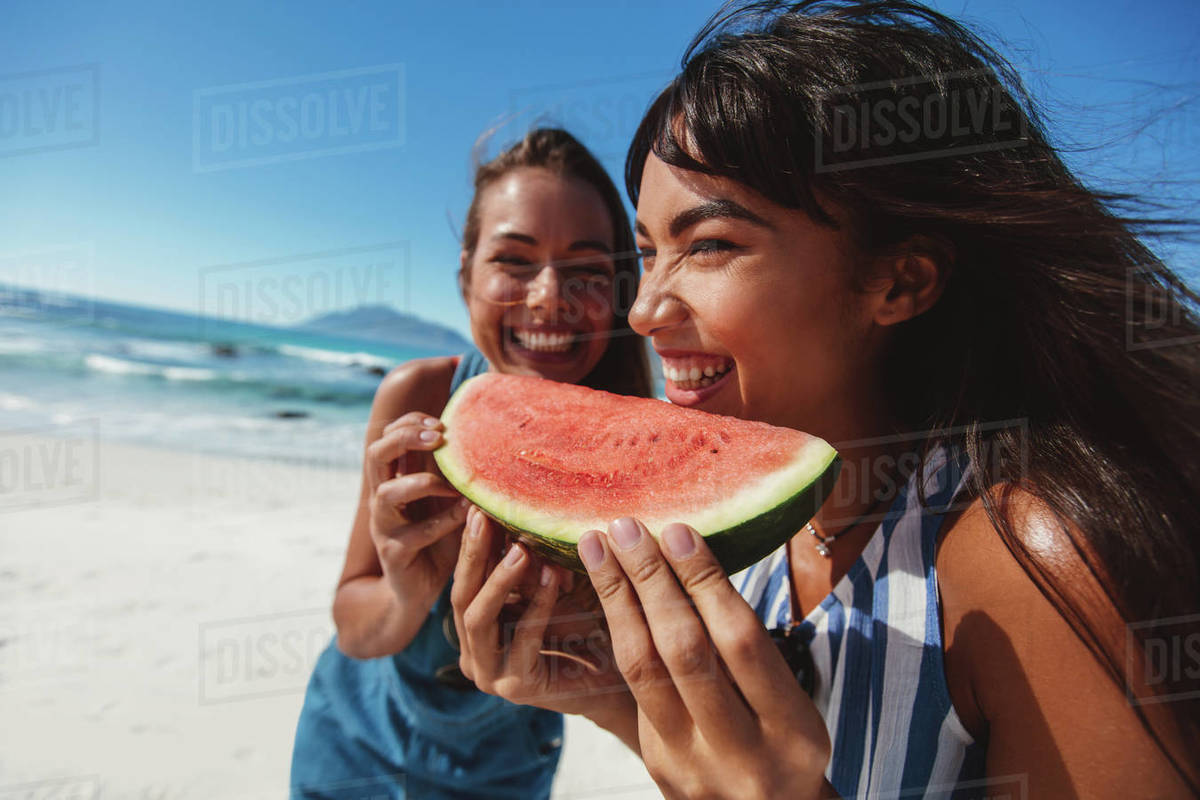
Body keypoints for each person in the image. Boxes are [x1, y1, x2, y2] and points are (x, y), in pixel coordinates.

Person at [450, 3, 1200, 798]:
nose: (642, 312)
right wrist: (601, 696)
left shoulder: (1027, 563)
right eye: (648, 251)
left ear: (899, 281)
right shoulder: (765, 539)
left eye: (709, 246)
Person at [289, 127, 651, 799]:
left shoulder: (636, 446)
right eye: (515, 261)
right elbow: (354, 627)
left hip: (505, 773)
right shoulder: (419, 398)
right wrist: (407, 591)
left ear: (620, 289)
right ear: (465, 277)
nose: (548, 297)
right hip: (353, 749)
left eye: (587, 270)